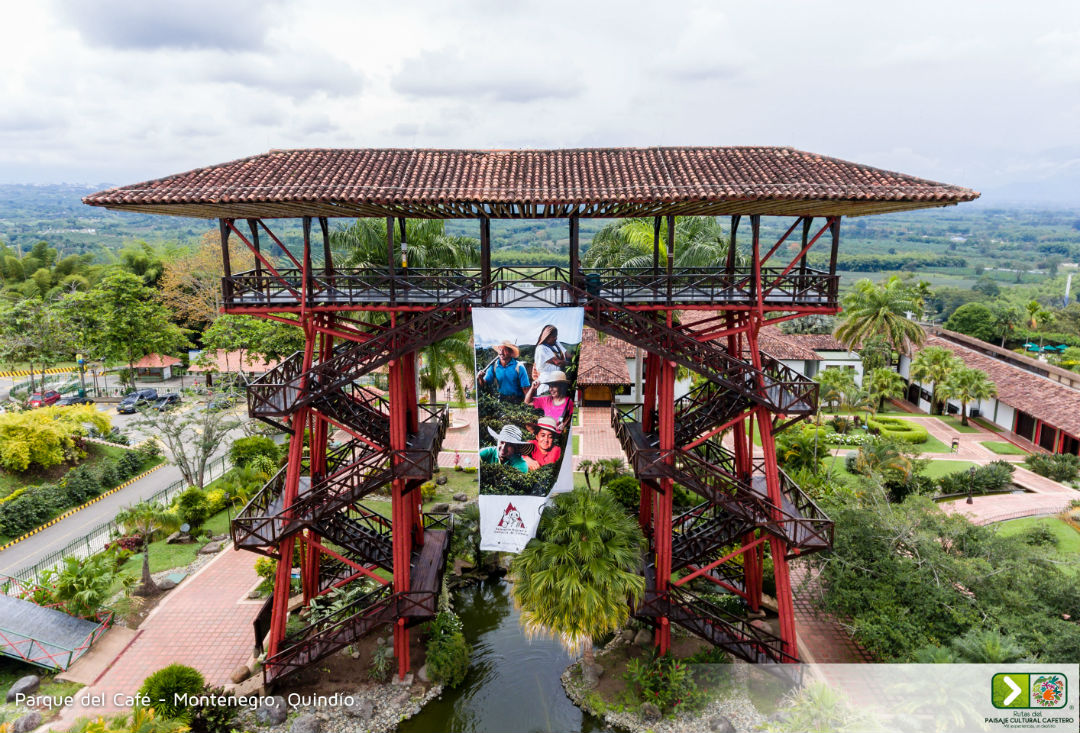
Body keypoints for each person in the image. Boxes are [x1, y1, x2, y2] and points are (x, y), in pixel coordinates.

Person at [533, 324, 569, 393]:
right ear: (547, 336)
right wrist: (570, 363)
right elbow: (557, 362)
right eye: (553, 336)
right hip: (546, 381)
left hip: (557, 380)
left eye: (556, 336)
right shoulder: (541, 348)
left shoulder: (556, 344)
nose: (556, 338)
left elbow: (568, 355)